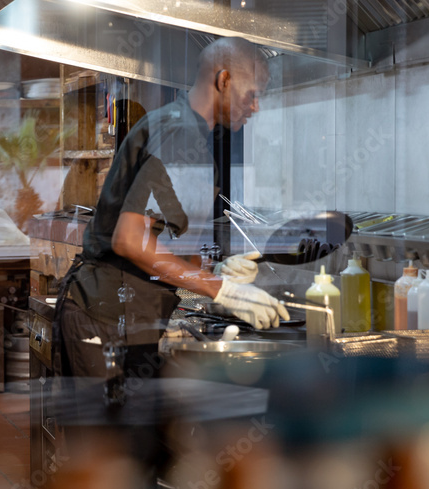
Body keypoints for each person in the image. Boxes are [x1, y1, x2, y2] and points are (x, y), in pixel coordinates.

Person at [56, 36, 288, 380]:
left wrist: (217, 272)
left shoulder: (188, 131)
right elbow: (130, 241)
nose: (255, 107)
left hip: (124, 317)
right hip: (105, 319)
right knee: (113, 434)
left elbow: (162, 238)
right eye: (252, 94)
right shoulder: (178, 132)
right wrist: (219, 289)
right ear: (223, 80)